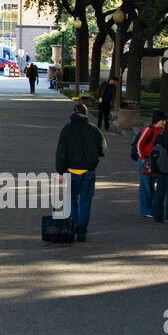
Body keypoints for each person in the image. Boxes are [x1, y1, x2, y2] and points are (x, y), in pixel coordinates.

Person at [54, 101, 106, 242]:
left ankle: (72, 226)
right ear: (86, 113)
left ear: (73, 112)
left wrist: (60, 171)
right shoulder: (94, 130)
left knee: (71, 200)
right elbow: (102, 149)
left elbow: (61, 153)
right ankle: (82, 232)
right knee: (85, 202)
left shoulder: (67, 130)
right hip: (88, 171)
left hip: (72, 171)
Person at [135, 109, 165, 219]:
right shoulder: (148, 130)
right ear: (158, 119)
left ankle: (152, 208)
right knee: (146, 185)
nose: (164, 122)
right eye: (162, 120)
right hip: (146, 160)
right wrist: (142, 159)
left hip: (155, 160)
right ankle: (145, 210)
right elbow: (139, 144)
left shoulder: (161, 131)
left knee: (152, 184)